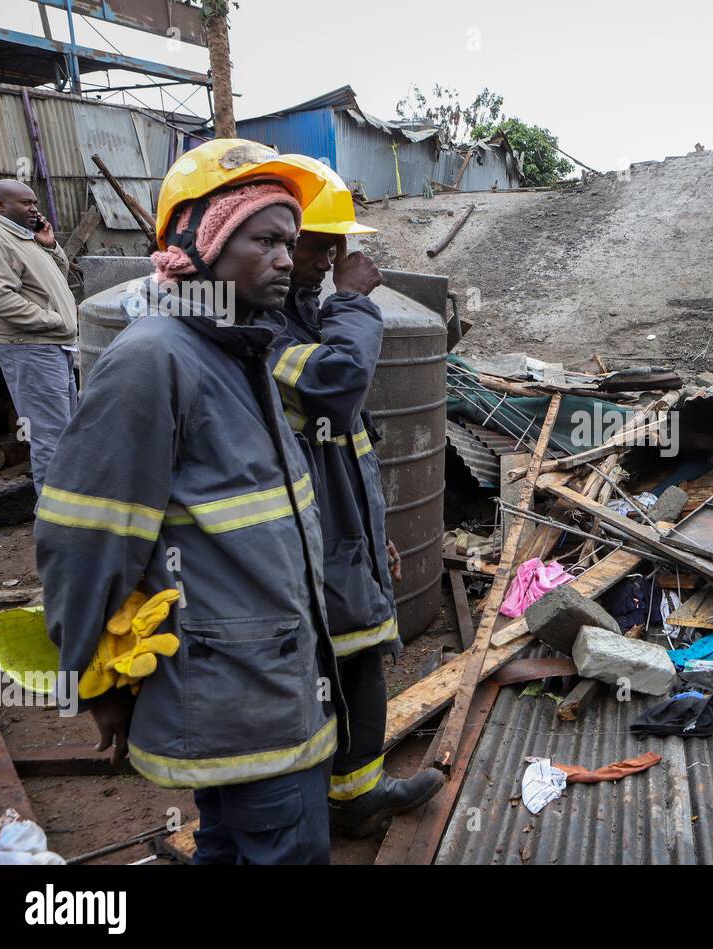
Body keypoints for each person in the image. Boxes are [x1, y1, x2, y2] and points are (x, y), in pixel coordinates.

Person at [35, 139, 343, 864]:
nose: (283, 259)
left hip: (268, 685)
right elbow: (85, 537)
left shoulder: (238, 352)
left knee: (230, 849)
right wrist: (89, 676)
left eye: (289, 242)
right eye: (264, 239)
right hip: (235, 706)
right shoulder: (154, 360)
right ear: (198, 244)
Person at [259, 157, 444, 838]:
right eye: (316, 243)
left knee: (357, 659)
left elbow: (346, 441)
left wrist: (376, 535)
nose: (333, 257)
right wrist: (355, 300)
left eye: (334, 245)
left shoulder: (302, 311)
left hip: (341, 525)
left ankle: (353, 791)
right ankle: (344, 800)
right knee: (341, 661)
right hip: (304, 535)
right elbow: (336, 383)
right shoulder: (267, 327)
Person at [0, 179, 78, 493]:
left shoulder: (25, 237)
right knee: (51, 437)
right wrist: (54, 321)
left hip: (54, 346)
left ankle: (72, 511)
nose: (34, 208)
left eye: (34, 202)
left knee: (68, 433)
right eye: (25, 202)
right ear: (0, 205)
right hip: (30, 349)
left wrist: (51, 245)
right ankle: (53, 522)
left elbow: (56, 279)